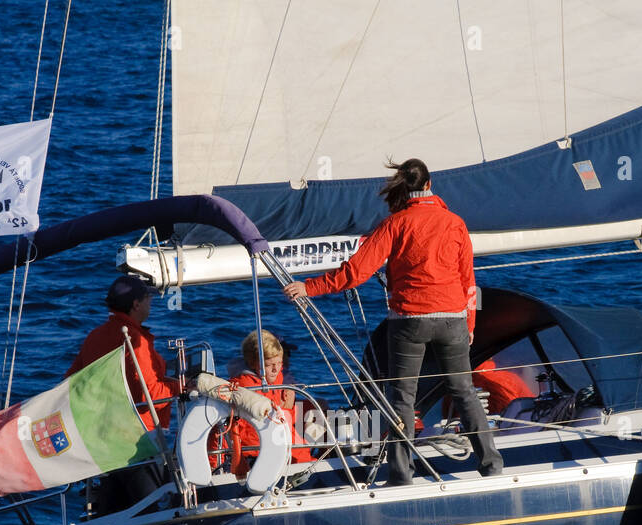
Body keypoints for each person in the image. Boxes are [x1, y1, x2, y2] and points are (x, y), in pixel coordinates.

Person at [283, 158, 503, 484]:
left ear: (403, 188)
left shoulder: (395, 224)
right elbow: (469, 282)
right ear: (429, 185)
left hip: (409, 322)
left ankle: (401, 476)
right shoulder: (455, 223)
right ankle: (491, 465)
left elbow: (356, 272)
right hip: (452, 320)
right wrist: (469, 324)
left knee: (402, 398)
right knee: (464, 391)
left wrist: (309, 287)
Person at [66, 275, 181, 430]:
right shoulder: (135, 340)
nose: (151, 301)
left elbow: (71, 384)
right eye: (148, 297)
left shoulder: (95, 336)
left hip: (100, 429)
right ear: (136, 304)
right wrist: (183, 387)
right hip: (137, 436)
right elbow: (150, 396)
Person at [212, 330, 313, 476]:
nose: (276, 369)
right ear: (254, 363)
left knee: (313, 412)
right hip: (256, 454)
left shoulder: (276, 381)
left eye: (279, 363)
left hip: (278, 444)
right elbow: (249, 434)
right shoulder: (244, 387)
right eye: (270, 364)